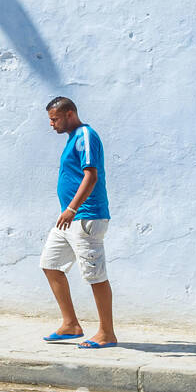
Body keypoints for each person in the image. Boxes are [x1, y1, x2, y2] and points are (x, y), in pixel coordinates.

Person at [39, 96, 116, 348]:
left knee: (95, 274)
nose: (52, 125)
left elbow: (91, 175)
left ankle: (106, 333)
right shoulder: (72, 139)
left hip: (86, 217)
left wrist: (72, 207)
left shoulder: (85, 135)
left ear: (70, 114)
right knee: (50, 264)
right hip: (69, 219)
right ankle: (71, 324)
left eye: (55, 119)